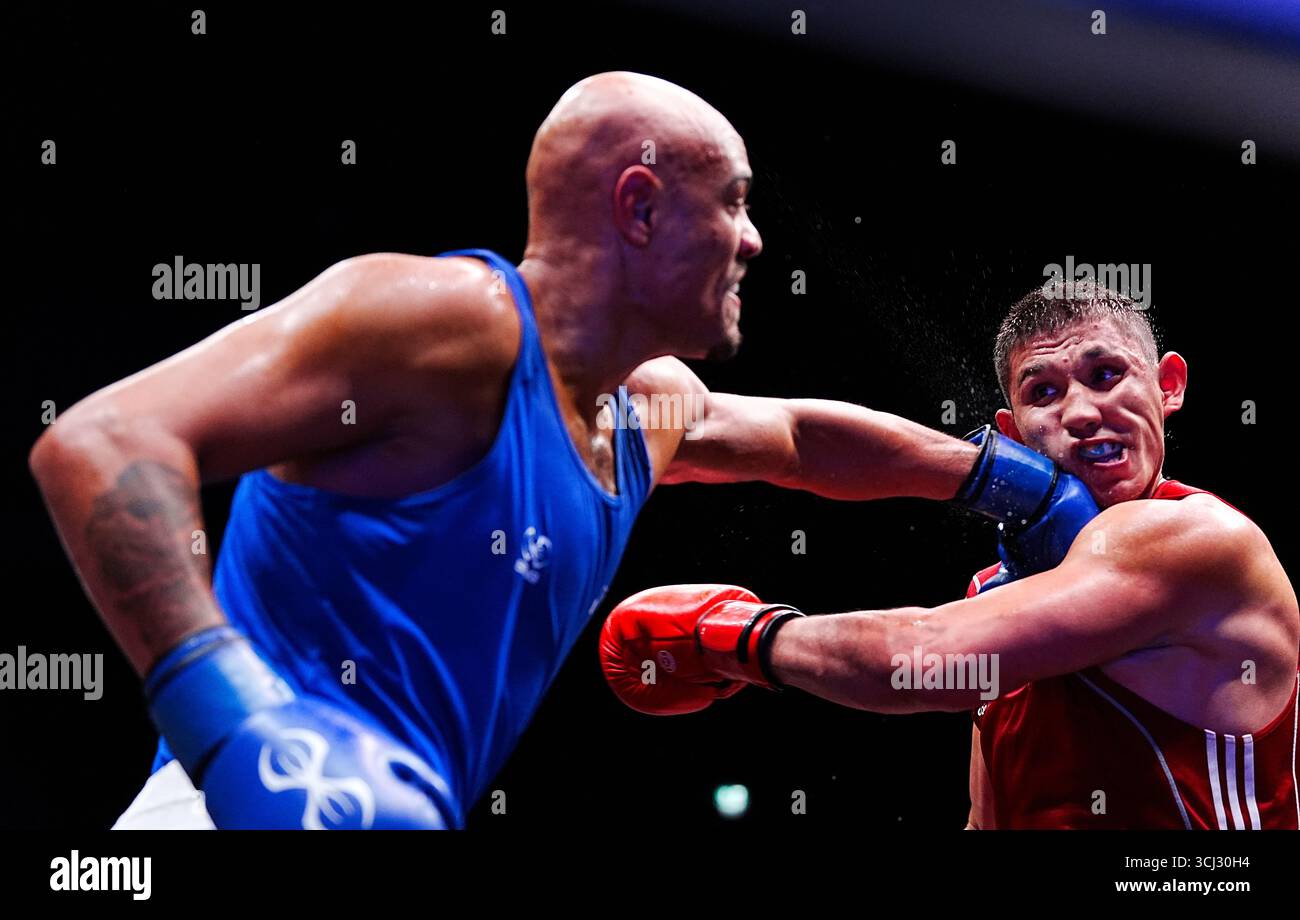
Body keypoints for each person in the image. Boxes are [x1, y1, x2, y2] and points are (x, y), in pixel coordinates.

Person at [30, 72, 1089, 830]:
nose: (756, 238)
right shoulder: (443, 323)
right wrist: (231, 724)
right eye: (732, 200)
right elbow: (102, 439)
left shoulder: (647, 408)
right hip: (218, 807)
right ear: (638, 205)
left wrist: (999, 478)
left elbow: (801, 439)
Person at [602, 282, 1300, 829]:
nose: (1081, 412)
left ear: (1169, 385)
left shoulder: (1196, 540)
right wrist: (695, 426)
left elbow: (922, 658)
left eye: (1107, 374)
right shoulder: (996, 588)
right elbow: (986, 818)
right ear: (1013, 429)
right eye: (1044, 392)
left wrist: (732, 636)